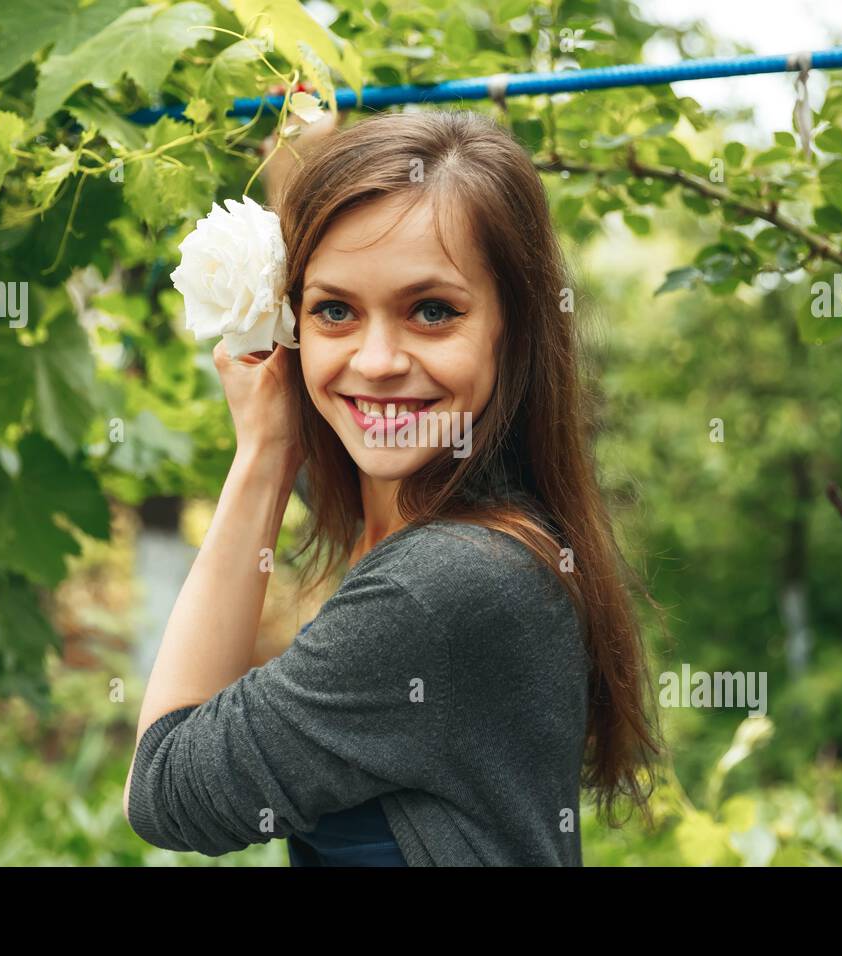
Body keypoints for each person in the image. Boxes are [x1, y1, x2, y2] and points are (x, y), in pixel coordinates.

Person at [122, 105, 663, 866]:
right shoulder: (462, 526)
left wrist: (261, 455)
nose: (376, 360)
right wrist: (298, 151)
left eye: (432, 311)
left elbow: (165, 790)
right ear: (295, 328)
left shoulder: (438, 589)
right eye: (335, 309)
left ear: (516, 328)